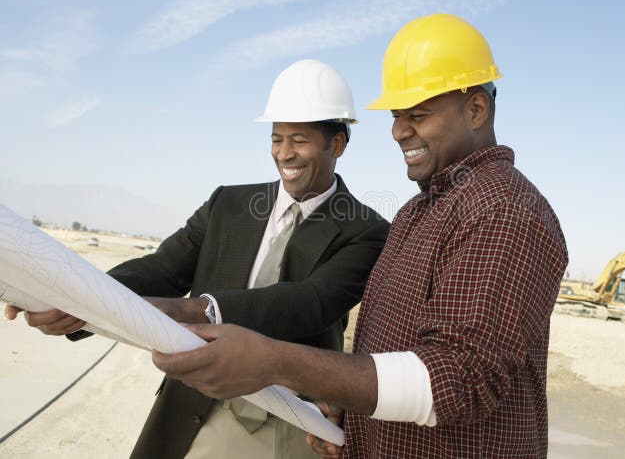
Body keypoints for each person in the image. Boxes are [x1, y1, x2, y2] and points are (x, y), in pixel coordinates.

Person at [149, 14, 568, 458]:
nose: (398, 130)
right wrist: (349, 408)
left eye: (418, 115)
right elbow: (393, 358)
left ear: (476, 110)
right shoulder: (418, 212)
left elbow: (460, 379)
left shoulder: (503, 209)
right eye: (396, 115)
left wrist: (271, 359)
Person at [5, 59, 389, 459]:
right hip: (194, 411)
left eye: (300, 139)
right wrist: (75, 296)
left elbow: (308, 303)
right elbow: (161, 269)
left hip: (290, 425)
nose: (285, 153)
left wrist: (199, 309)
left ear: (338, 144)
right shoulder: (228, 203)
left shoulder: (366, 230)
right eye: (277, 139)